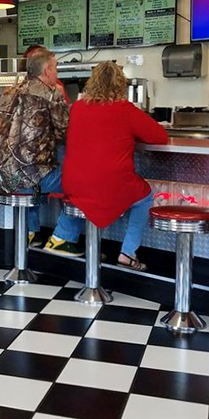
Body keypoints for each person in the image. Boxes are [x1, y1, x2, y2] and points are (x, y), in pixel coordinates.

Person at [62, 61, 168, 269]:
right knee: (145, 196)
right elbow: (160, 136)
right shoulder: (126, 110)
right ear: (121, 85)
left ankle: (85, 247)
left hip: (73, 183)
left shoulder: (77, 108)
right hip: (109, 184)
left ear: (91, 83)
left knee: (97, 191)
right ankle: (127, 253)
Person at [0, 46, 82, 253]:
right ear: (46, 70)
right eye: (55, 68)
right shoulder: (51, 94)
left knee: (28, 166)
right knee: (86, 182)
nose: (56, 73)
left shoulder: (8, 92)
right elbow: (65, 131)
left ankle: (30, 232)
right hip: (30, 177)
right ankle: (62, 238)